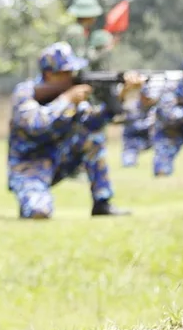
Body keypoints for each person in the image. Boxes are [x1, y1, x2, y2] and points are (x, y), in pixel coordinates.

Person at [7, 45, 128, 219]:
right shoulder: (25, 92)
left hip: (60, 160)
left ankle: (102, 203)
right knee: (39, 212)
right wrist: (66, 99)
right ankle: (30, 200)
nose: (72, 77)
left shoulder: (71, 95)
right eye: (66, 72)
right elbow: (36, 125)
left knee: (92, 138)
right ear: (49, 74)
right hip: (29, 167)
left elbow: (93, 123)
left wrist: (121, 96)